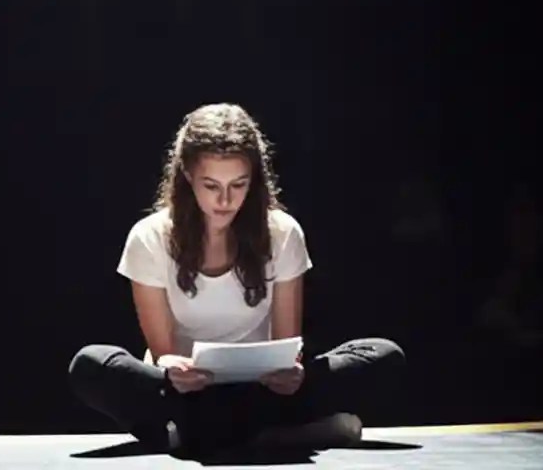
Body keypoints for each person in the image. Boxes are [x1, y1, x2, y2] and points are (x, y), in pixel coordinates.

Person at [68, 103, 406, 456]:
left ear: (253, 180)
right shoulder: (150, 236)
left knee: (383, 357)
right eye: (211, 185)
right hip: (186, 393)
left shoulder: (282, 232)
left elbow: (287, 343)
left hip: (263, 391)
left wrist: (293, 373)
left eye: (238, 185)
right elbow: (163, 353)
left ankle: (199, 436)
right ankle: (279, 433)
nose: (225, 200)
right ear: (187, 175)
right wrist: (170, 369)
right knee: (91, 365)